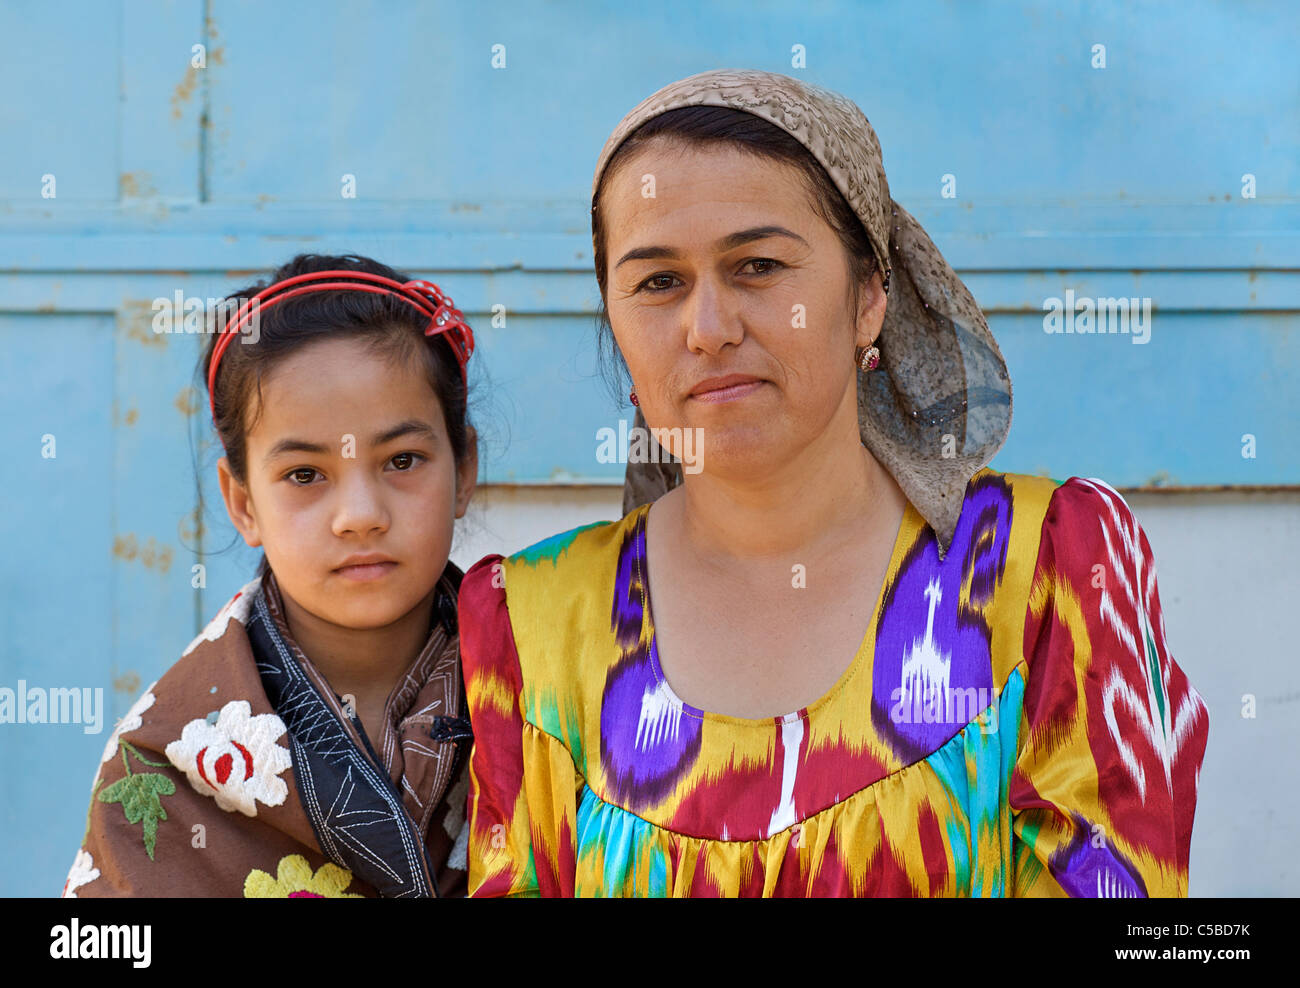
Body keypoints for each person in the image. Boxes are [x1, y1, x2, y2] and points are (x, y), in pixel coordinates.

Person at [457, 69, 1210, 897]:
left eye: (759, 266)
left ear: (868, 300)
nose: (708, 330)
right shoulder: (528, 623)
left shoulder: (1045, 571)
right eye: (658, 283)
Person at [63, 253, 479, 897]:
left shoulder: (553, 683)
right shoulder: (162, 761)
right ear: (243, 501)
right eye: (305, 475)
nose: (360, 516)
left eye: (402, 459)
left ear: (464, 467)